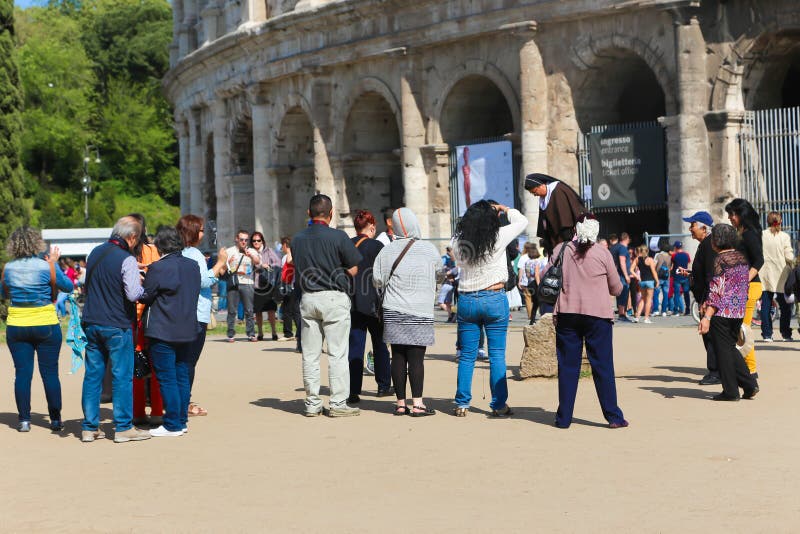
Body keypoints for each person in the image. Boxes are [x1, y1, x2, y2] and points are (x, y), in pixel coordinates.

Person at [549, 214, 628, 428]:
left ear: (576, 228)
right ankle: (613, 416)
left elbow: (549, 279)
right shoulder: (602, 253)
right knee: (602, 365)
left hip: (567, 313)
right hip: (598, 316)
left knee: (567, 366)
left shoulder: (560, 250)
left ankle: (564, 418)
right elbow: (616, 287)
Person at [452, 200, 528, 417]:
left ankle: (462, 403)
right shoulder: (499, 237)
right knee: (496, 355)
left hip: (467, 299)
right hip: (494, 297)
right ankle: (498, 404)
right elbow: (522, 221)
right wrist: (504, 209)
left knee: (467, 356)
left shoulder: (458, 241)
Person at [80, 216, 151, 443]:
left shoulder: (95, 253)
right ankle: (123, 428)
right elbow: (132, 294)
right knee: (122, 376)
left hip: (92, 321)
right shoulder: (126, 258)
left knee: (93, 376)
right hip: (117, 324)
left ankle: (89, 428)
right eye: (136, 239)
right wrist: (145, 288)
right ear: (131, 237)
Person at [292, 194, 362, 417]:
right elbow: (353, 268)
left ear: (308, 213)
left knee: (310, 355)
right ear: (331, 214)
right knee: (338, 353)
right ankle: (338, 403)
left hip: (308, 297)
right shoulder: (338, 236)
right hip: (333, 297)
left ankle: (312, 403)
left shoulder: (297, 239)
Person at [2, 227, 73, 432]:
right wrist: (54, 264)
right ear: (36, 244)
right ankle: (55, 419)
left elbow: (3, 293)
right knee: (50, 373)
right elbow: (67, 286)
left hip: (17, 324)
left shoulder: (8, 268)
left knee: (22, 374)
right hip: (45, 323)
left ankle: (24, 420)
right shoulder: (47, 266)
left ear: (13, 244)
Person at [373, 207, 441, 416]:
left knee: (398, 356)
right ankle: (418, 404)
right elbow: (440, 274)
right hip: (420, 310)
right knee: (416, 359)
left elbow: (377, 280)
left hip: (394, 309)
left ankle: (401, 403)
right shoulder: (429, 249)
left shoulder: (387, 250)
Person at [140, 227, 201, 437]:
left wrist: (141, 281)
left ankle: (173, 423)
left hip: (163, 329)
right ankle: (181, 420)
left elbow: (145, 296)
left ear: (159, 246)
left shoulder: (158, 268)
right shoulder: (192, 266)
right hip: (187, 327)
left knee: (167, 378)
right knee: (182, 375)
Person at [698, 224, 760, 401]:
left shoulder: (720, 259)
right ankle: (749, 384)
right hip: (738, 310)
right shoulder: (741, 257)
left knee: (722, 351)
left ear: (717, 241)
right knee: (730, 348)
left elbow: (717, 289)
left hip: (722, 311)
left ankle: (731, 391)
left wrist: (707, 315)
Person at [178, 214, 228, 419]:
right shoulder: (194, 253)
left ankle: (180, 400)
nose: (202, 234)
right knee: (189, 360)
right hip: (196, 312)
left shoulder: (181, 252)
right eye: (200, 230)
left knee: (183, 359)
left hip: (183, 311)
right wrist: (219, 264)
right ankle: (184, 401)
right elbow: (203, 281)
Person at [347, 210, 392, 403]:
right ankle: (383, 385)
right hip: (374, 302)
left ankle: (353, 390)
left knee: (355, 347)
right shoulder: (377, 245)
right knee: (380, 345)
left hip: (353, 301)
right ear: (371, 227)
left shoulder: (347, 244)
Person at [129, 214, 164, 428]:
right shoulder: (153, 251)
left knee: (136, 367)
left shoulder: (122, 253)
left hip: (132, 316)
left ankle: (138, 411)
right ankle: (157, 411)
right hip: (152, 314)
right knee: (155, 364)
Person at [725, 198, 764, 376]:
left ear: (741, 214)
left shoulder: (749, 234)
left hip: (749, 287)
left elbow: (759, 260)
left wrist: (744, 280)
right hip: (743, 287)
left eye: (731, 214)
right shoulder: (743, 233)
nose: (729, 218)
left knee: (743, 329)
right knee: (742, 329)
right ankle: (748, 368)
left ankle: (751, 369)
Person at [679, 211, 719, 385]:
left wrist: (707, 300)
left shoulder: (709, 245)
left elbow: (712, 274)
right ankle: (716, 371)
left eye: (693, 225)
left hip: (708, 298)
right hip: (706, 296)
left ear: (704, 228)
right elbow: (704, 272)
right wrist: (690, 272)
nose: (690, 228)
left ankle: (716, 372)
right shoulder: (706, 244)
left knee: (710, 335)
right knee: (709, 335)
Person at [523, 173, 585, 256]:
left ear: (540, 186)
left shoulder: (559, 190)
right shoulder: (543, 200)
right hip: (555, 242)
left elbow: (571, 213)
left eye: (534, 191)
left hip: (568, 239)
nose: (535, 195)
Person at [759, 211, 795, 342]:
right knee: (785, 307)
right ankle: (785, 333)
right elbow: (789, 256)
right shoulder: (784, 236)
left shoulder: (762, 235)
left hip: (765, 274)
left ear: (767, 221)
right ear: (780, 222)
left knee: (766, 306)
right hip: (781, 275)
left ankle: (767, 334)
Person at [224, 230, 261, 342]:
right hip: (234, 282)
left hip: (247, 283)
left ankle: (251, 334)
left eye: (246, 240)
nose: (244, 242)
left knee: (249, 310)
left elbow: (257, 262)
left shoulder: (251, 250)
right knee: (232, 310)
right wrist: (230, 263)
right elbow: (223, 267)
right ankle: (231, 334)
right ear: (237, 239)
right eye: (241, 240)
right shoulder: (229, 251)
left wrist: (251, 256)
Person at [251, 231, 282, 341]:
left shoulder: (268, 251)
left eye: (258, 240)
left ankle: (274, 332)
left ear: (262, 241)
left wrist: (267, 266)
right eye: (254, 240)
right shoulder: (250, 252)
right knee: (258, 311)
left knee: (271, 310)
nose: (256, 242)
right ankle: (260, 333)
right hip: (255, 285)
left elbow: (278, 263)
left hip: (268, 284)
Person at [279, 237, 302, 351]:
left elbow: (290, 262)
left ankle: (299, 336)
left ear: (285, 245)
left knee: (296, 312)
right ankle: (291, 334)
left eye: (282, 245)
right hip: (288, 286)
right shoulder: (285, 256)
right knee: (288, 310)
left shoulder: (293, 254)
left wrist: (290, 251)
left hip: (294, 286)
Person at [609, 232, 632, 322]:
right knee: (624, 293)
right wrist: (626, 275)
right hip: (621, 275)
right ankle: (622, 314)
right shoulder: (622, 248)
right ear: (627, 239)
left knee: (619, 294)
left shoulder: (613, 248)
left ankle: (621, 314)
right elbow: (622, 261)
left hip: (615, 274)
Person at [632, 245, 658, 324]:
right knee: (648, 300)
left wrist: (637, 276)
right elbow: (653, 272)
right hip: (650, 281)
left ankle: (637, 317)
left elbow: (631, 270)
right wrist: (657, 281)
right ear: (647, 251)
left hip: (642, 282)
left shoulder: (637, 259)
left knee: (642, 299)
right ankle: (646, 318)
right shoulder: (650, 260)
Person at [670, 241, 691, 315]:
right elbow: (688, 264)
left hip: (677, 277)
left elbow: (672, 265)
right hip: (685, 276)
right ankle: (687, 310)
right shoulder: (687, 255)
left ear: (675, 247)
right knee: (686, 293)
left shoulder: (674, 256)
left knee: (676, 294)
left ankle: (676, 311)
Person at [653, 239, 673, 316]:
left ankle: (656, 310)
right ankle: (664, 311)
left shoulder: (658, 255)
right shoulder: (670, 257)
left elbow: (654, 265)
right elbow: (671, 267)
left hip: (658, 278)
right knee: (665, 294)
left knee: (656, 294)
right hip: (667, 278)